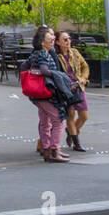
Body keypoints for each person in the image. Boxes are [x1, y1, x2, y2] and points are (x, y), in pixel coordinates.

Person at [27, 26, 73, 163]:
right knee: (58, 120)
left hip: (37, 94)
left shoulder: (35, 54)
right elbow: (44, 70)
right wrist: (57, 75)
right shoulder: (43, 54)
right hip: (46, 92)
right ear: (42, 42)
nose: (53, 39)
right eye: (49, 38)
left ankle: (47, 149)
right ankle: (54, 150)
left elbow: (25, 66)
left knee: (45, 121)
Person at [57, 30, 90, 151]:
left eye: (69, 39)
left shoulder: (75, 53)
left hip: (78, 88)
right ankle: (76, 143)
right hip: (67, 90)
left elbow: (85, 66)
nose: (68, 41)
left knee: (84, 116)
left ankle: (71, 131)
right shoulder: (57, 57)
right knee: (70, 115)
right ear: (58, 42)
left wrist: (83, 78)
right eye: (65, 39)